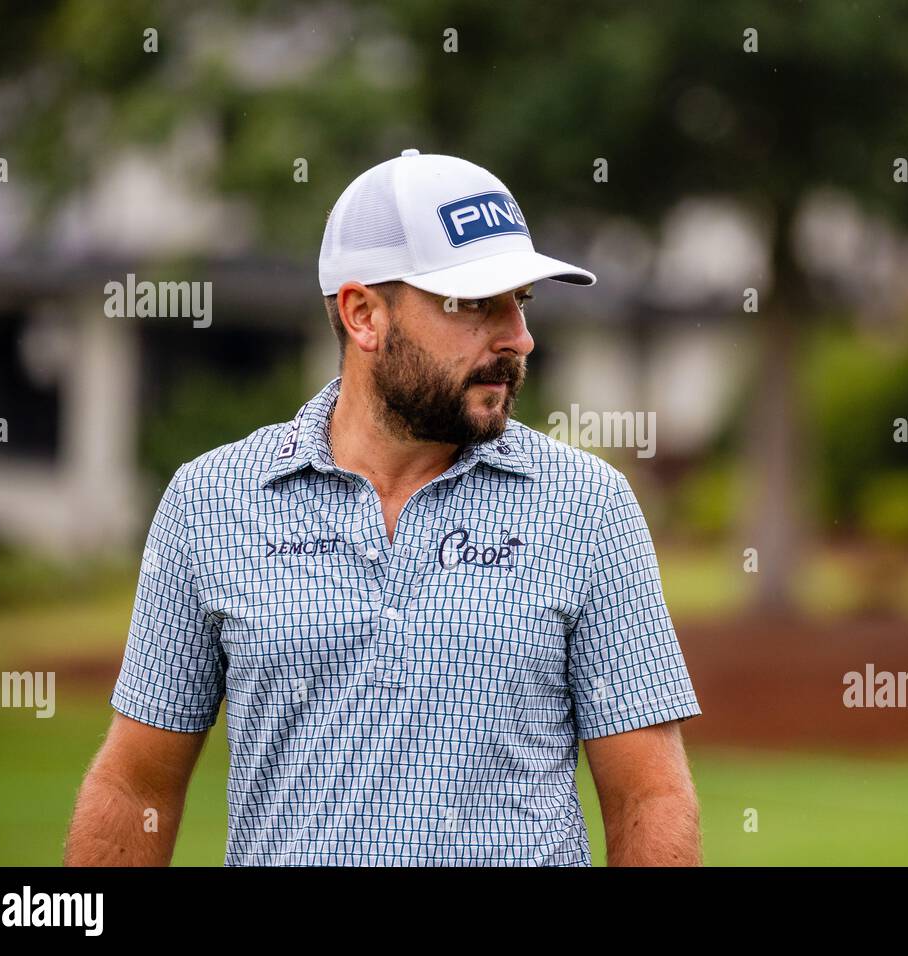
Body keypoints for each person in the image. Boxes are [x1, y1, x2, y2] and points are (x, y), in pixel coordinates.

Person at [64, 149, 703, 866]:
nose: (519, 339)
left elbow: (648, 797)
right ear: (363, 314)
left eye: (520, 302)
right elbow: (135, 786)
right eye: (474, 304)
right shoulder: (211, 501)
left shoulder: (589, 506)